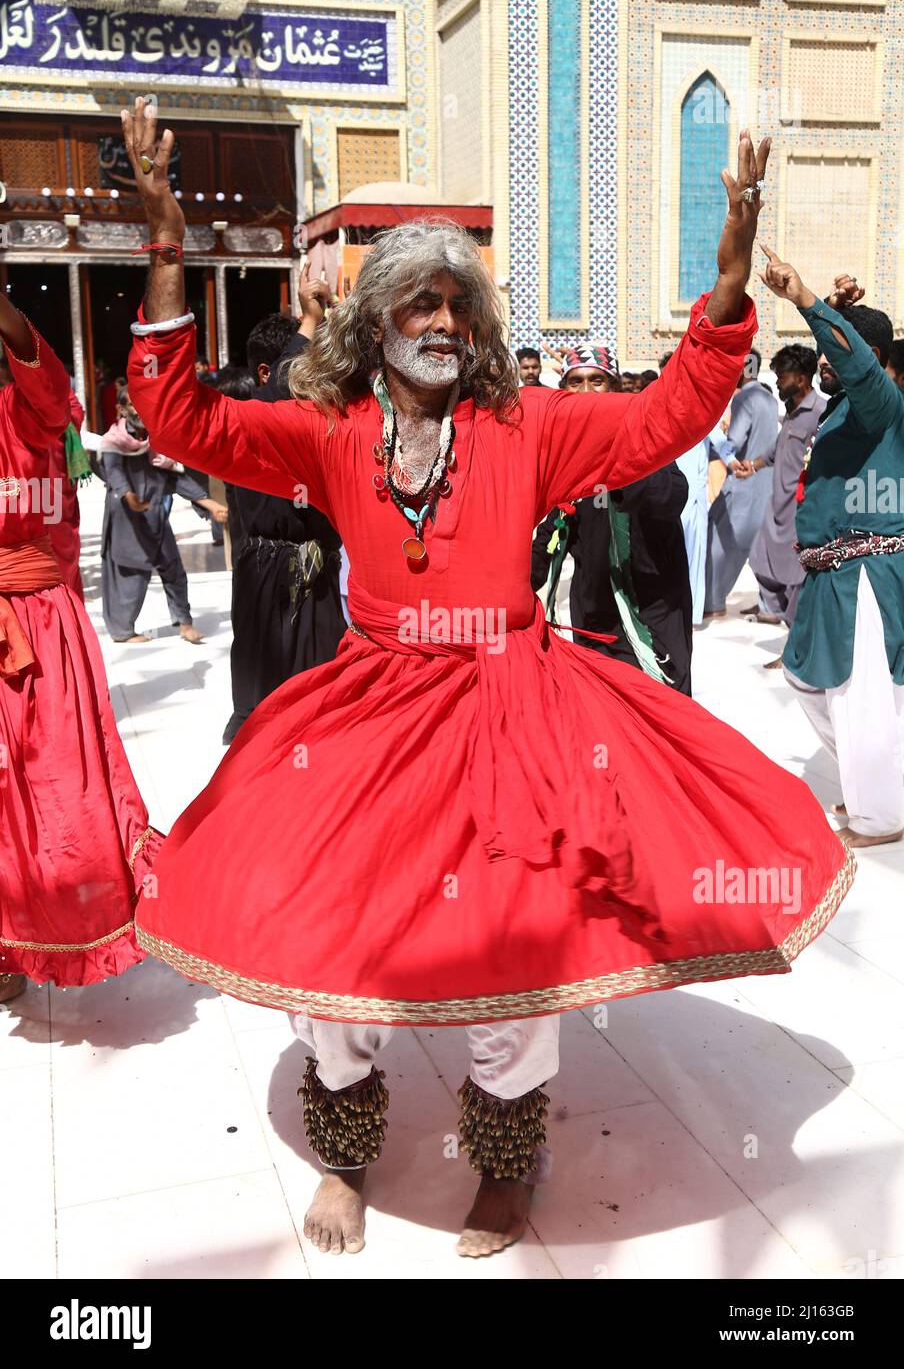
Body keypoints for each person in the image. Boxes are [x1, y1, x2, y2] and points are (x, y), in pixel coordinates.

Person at [122, 100, 853, 1259]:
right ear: (372, 324)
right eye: (418, 300)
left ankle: (505, 1166)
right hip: (366, 712)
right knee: (336, 939)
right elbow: (181, 416)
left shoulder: (529, 426)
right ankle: (344, 1152)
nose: (443, 320)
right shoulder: (326, 427)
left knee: (517, 944)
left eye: (460, 301)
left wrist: (726, 284)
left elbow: (667, 414)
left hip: (513, 708)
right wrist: (167, 246)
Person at [0, 292, 161, 1004]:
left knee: (55, 790)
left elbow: (39, 365)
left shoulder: (29, 410)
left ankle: (62, 924)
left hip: (33, 623)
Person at [759, 249, 904, 849]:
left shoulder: (880, 403)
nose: (822, 359)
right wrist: (838, 314)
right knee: (810, 681)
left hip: (864, 570)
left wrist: (808, 301)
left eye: (832, 351)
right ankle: (879, 780)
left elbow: (863, 370)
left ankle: (881, 814)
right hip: (829, 572)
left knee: (858, 692)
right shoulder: (842, 406)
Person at [222, 286, 347, 745]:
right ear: (268, 372)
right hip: (270, 577)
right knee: (270, 710)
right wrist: (310, 323)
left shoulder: (315, 420)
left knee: (325, 704)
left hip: (317, 574)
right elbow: (282, 389)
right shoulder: (253, 418)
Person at [531, 347, 694, 693]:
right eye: (575, 383)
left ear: (616, 388)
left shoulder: (645, 441)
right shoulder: (566, 460)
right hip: (594, 626)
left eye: (597, 381)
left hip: (649, 625)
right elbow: (549, 536)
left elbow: (671, 496)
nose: (586, 393)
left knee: (653, 733)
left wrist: (618, 458)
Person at [99, 386, 226, 644]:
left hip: (155, 515)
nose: (139, 410)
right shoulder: (113, 441)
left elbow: (175, 478)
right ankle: (123, 631)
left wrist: (210, 504)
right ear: (121, 410)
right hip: (128, 519)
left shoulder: (156, 442)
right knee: (131, 573)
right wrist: (127, 494)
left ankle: (185, 624)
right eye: (133, 405)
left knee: (173, 569)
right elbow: (113, 471)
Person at [745, 344, 824, 665]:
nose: (777, 382)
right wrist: (751, 465)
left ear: (803, 378)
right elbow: (778, 452)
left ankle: (794, 650)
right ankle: (779, 621)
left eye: (782, 376)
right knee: (759, 560)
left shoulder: (820, 412)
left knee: (796, 584)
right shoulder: (792, 412)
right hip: (776, 509)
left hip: (799, 512)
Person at [704, 346, 778, 617]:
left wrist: (706, 447)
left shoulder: (744, 399)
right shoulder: (770, 400)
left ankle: (712, 604)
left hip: (741, 484)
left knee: (717, 546)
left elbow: (733, 441)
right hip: (765, 485)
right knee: (757, 549)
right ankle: (769, 606)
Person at [661, 349, 712, 627]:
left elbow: (719, 440)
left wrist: (736, 461)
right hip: (666, 495)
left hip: (694, 498)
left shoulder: (700, 405)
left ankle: (691, 614)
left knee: (694, 556)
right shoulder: (658, 405)